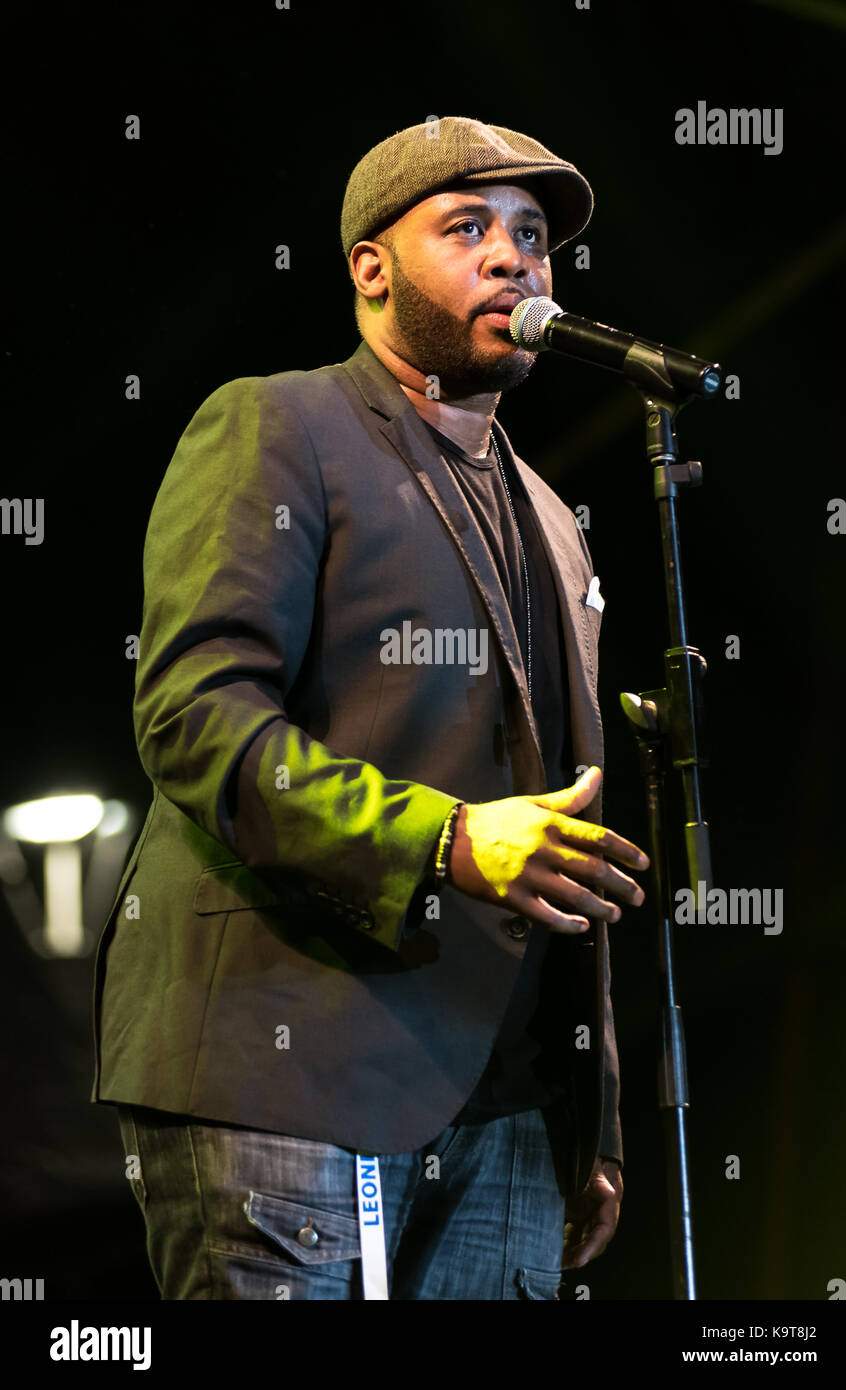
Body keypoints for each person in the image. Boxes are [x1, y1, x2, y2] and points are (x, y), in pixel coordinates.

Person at [90, 116, 649, 1301]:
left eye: (533, 236)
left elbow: (567, 830)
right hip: (289, 1067)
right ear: (369, 267)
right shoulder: (277, 425)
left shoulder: (553, 516)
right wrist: (444, 839)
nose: (515, 257)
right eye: (469, 228)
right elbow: (196, 717)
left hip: (507, 1113)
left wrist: (590, 1118)